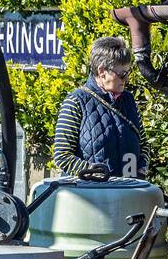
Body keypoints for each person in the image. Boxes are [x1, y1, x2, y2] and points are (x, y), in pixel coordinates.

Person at [52, 35, 150, 179]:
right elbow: (62, 155)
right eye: (122, 74)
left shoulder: (128, 101)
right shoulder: (76, 102)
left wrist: (140, 170)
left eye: (128, 73)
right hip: (89, 195)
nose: (126, 79)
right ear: (102, 72)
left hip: (127, 192)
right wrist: (94, 173)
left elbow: (144, 145)